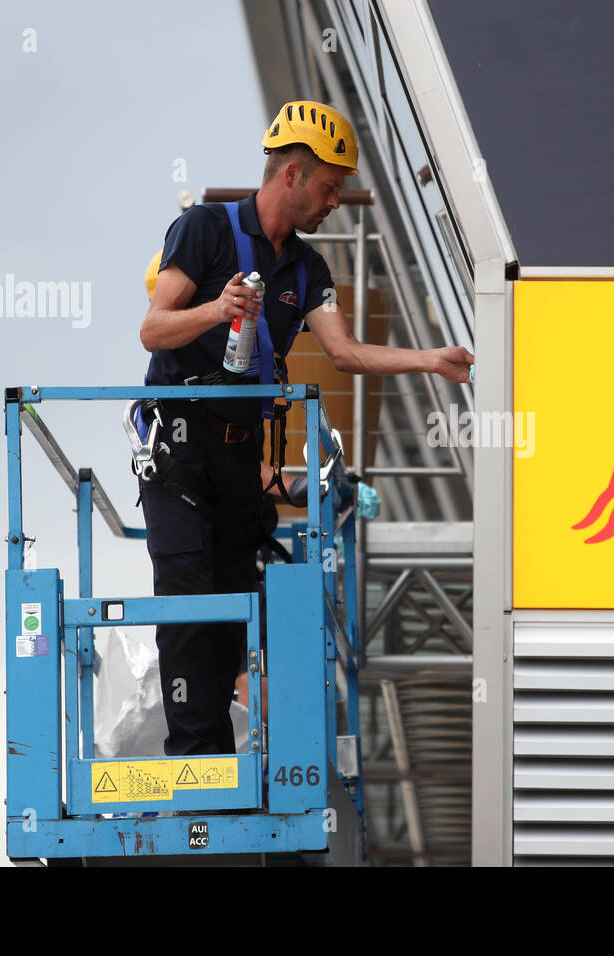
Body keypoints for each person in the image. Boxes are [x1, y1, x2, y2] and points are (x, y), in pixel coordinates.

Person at [138, 100, 473, 756]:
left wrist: (432, 360)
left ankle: (216, 764)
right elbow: (152, 329)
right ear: (291, 175)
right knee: (187, 609)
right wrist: (218, 308)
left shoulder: (307, 270)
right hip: (180, 445)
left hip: (240, 457)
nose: (335, 202)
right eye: (329, 186)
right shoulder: (204, 229)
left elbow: (345, 352)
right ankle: (193, 768)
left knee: (235, 610)